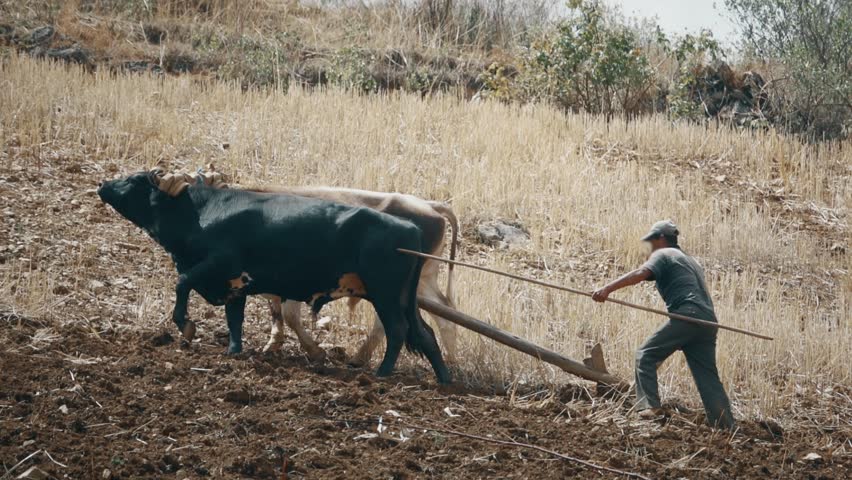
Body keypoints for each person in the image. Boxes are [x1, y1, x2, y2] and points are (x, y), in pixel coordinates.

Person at [591, 220, 735, 429]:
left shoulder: (663, 254)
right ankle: (725, 425)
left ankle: (649, 407)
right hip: (708, 321)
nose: (649, 246)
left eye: (651, 241)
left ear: (660, 238)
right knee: (707, 376)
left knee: (645, 355)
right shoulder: (690, 260)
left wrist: (606, 289)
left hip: (688, 316)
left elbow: (641, 273)